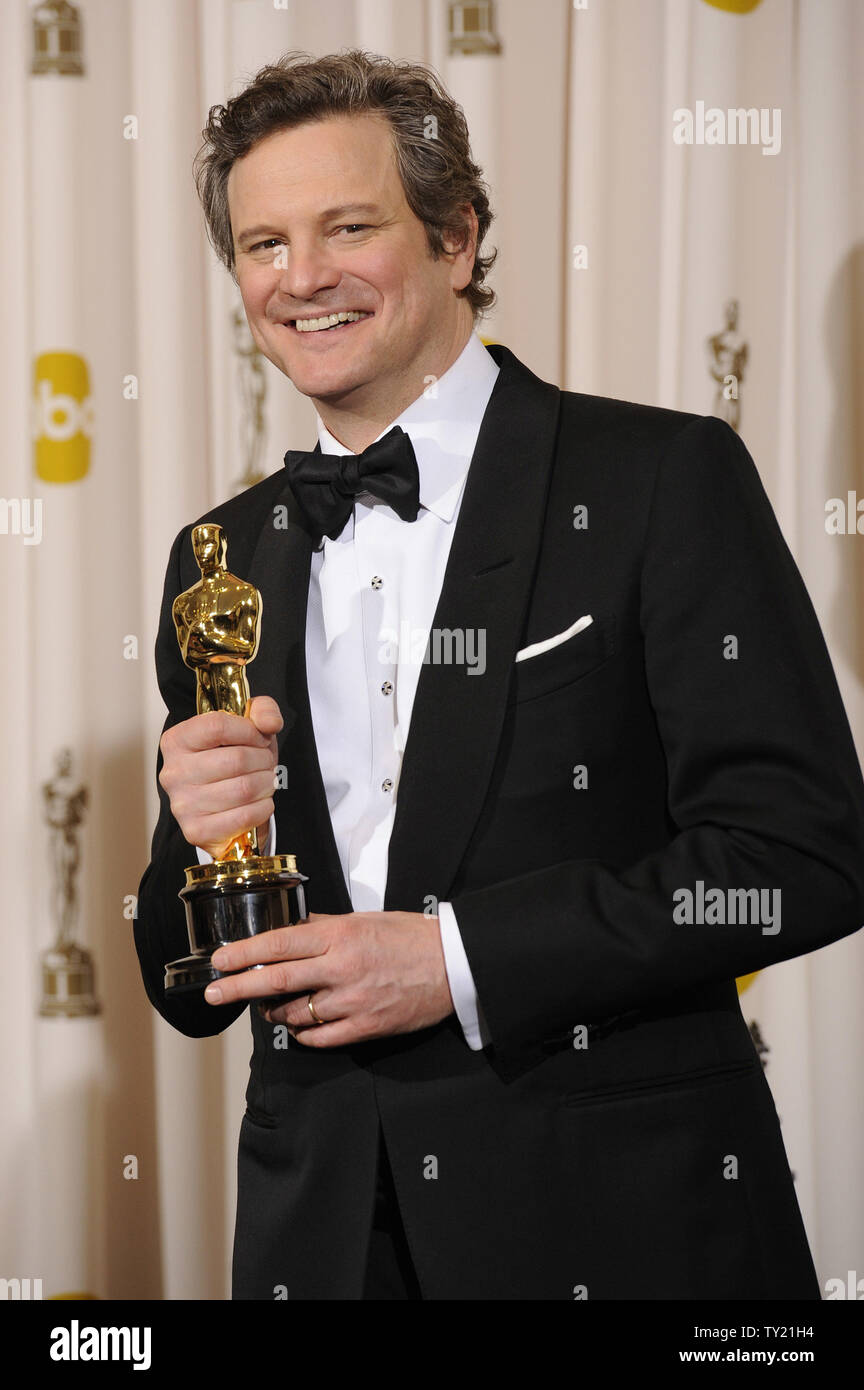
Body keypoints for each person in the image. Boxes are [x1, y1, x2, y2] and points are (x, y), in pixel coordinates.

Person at [135, 50, 864, 1301]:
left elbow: (801, 858)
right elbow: (186, 985)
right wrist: (202, 852)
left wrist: (457, 958)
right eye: (263, 244)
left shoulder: (659, 480)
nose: (299, 278)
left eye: (346, 227)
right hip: (321, 1239)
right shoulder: (221, 557)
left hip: (621, 1226)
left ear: (457, 237)